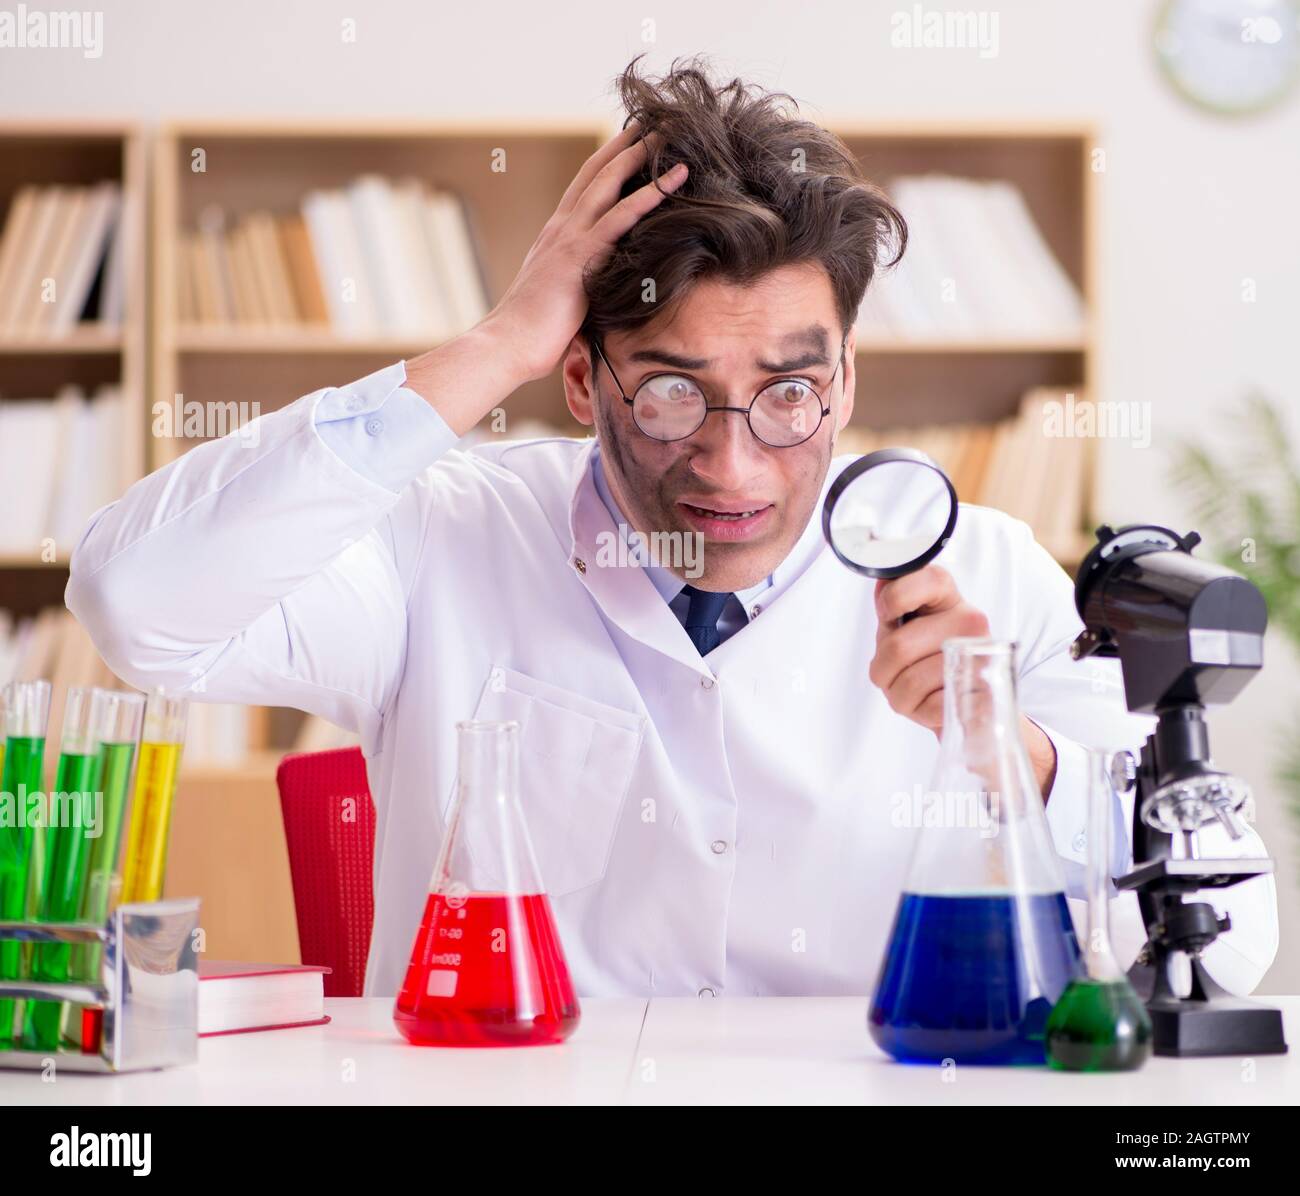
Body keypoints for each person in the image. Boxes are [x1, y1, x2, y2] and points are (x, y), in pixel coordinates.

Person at [66, 56, 1278, 999]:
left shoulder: (986, 574)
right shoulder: (438, 537)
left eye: (792, 393)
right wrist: (492, 348)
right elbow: (135, 601)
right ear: (582, 380)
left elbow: (1230, 952)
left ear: (847, 381)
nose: (732, 461)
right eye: (668, 393)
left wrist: (1024, 757)